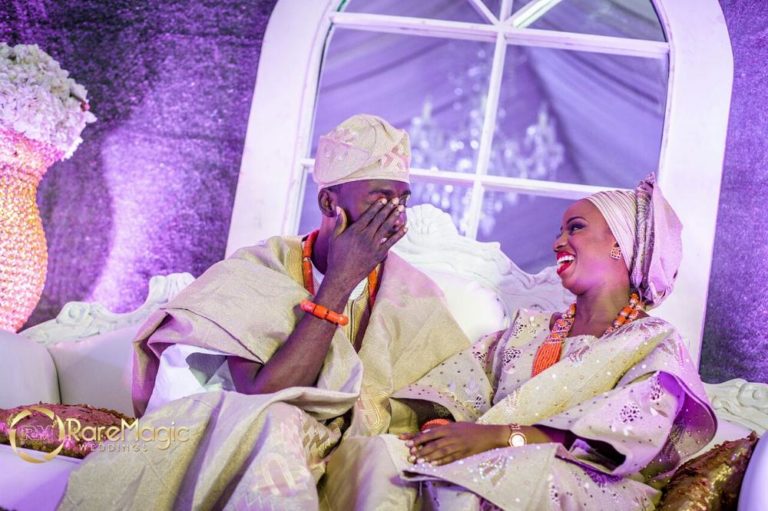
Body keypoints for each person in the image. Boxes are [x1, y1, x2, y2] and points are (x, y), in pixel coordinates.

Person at [57, 114, 471, 510]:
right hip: (268, 440)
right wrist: (341, 280)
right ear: (329, 202)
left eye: (402, 200)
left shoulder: (415, 292)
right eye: (380, 198)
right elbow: (265, 394)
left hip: (363, 451)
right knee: (274, 421)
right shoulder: (261, 268)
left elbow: (452, 399)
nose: (395, 214)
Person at [364, 176, 716, 509]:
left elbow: (620, 441)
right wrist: (439, 430)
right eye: (560, 231)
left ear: (619, 245)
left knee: (485, 474)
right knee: (382, 454)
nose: (557, 242)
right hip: (489, 456)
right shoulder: (527, 330)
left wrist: (499, 438)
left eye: (575, 227)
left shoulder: (655, 343)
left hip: (588, 483)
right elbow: (454, 388)